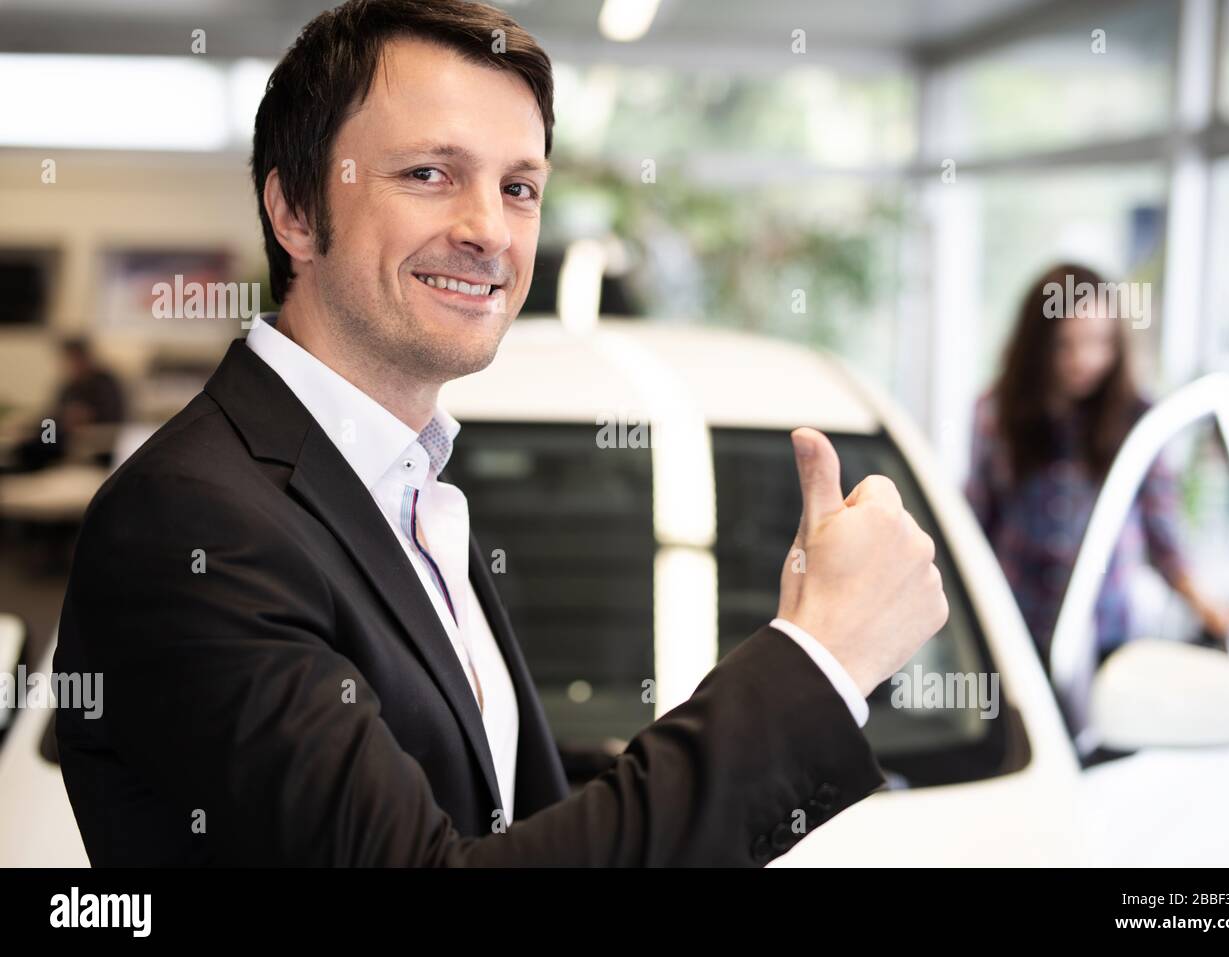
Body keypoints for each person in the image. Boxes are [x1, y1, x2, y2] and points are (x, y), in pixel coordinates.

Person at [53, 0, 948, 867]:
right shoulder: (192, 523)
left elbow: (507, 819)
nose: (489, 230)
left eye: (518, 187)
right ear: (293, 212)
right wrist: (819, 659)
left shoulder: (403, 486)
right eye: (429, 174)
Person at [966, 262, 1229, 666]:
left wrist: (1202, 601)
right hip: (1013, 630)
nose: (1082, 359)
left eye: (1097, 342)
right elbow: (977, 519)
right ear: (1037, 345)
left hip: (1105, 633)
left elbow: (1163, 532)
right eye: (1063, 344)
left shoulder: (1140, 419)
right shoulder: (996, 412)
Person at [3, 337, 125, 473]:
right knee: (38, 437)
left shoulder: (104, 383)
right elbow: (53, 412)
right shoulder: (69, 385)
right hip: (57, 431)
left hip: (83, 435)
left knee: (42, 443)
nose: (69, 365)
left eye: (72, 359)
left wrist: (84, 416)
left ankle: (26, 461)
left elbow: (112, 414)